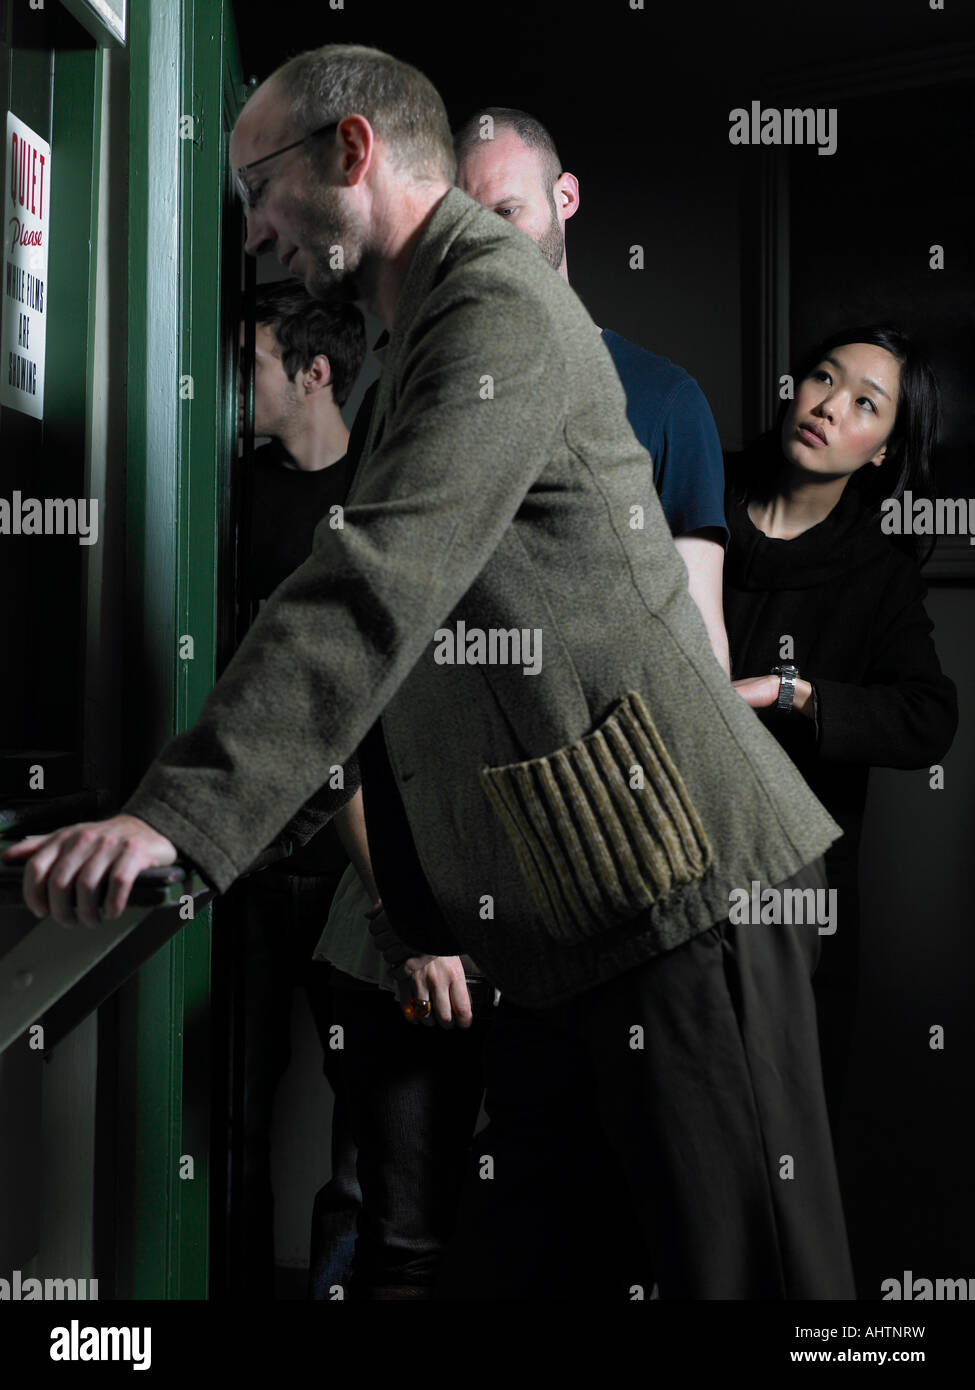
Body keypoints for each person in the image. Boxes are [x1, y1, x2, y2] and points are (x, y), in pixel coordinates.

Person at [9, 43, 854, 1299]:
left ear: (350, 154)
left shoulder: (491, 304)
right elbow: (402, 667)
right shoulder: (414, 334)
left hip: (686, 886)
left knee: (748, 1278)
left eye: (257, 192)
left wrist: (175, 812)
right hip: (574, 917)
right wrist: (188, 843)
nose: (254, 236)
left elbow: (375, 587)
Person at [723, 324, 958, 1119]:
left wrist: (793, 692)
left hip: (788, 888)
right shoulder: (696, 494)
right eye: (821, 378)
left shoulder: (879, 568)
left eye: (864, 403)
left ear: (884, 451)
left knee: (780, 1140)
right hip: (655, 857)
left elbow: (929, 717)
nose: (827, 405)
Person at [454, 107, 730, 675]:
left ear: (565, 198)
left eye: (508, 211)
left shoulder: (667, 400)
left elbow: (700, 636)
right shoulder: (413, 396)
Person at [228, 281, 367, 1295]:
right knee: (233, 1104)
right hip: (250, 855)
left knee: (365, 1120)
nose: (235, 383)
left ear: (314, 373)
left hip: (357, 864)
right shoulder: (228, 494)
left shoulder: (388, 497)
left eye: (252, 360)